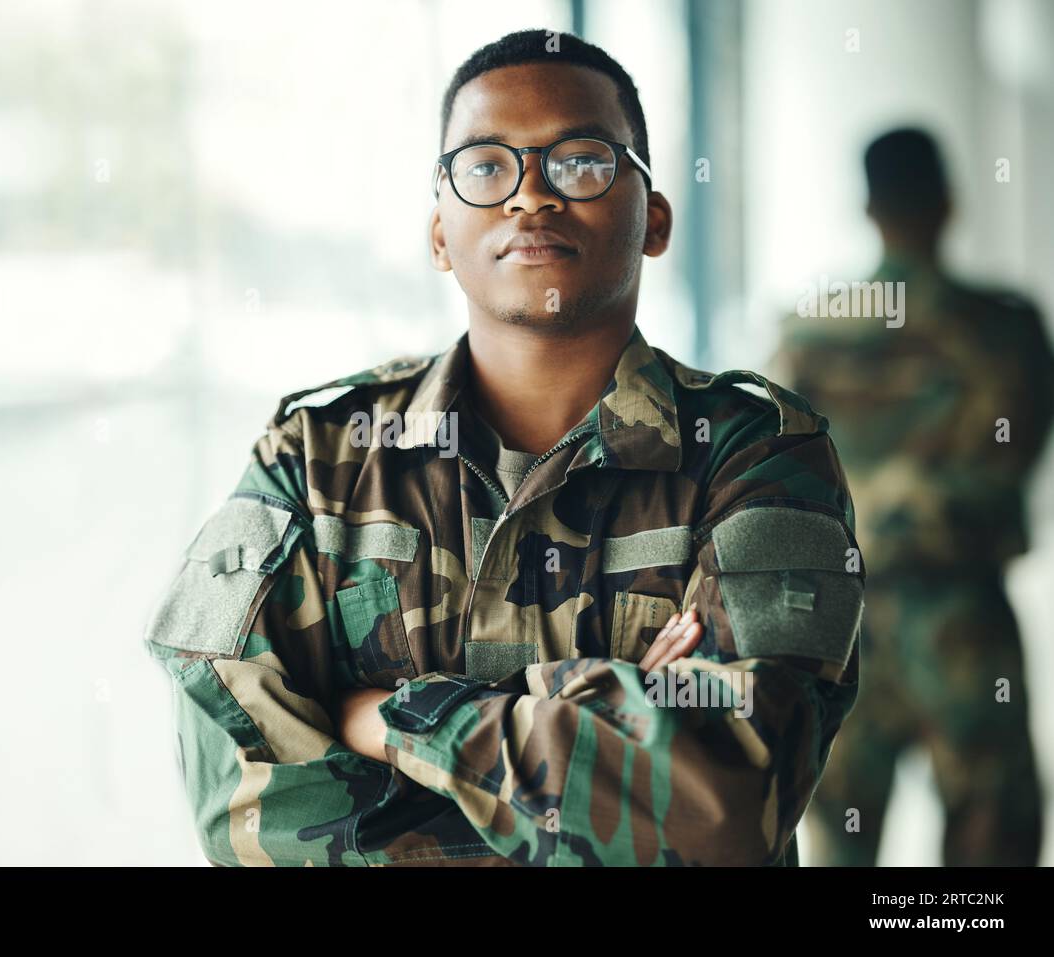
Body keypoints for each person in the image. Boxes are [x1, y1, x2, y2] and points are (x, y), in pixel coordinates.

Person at [145, 29, 863, 866]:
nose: (532, 197)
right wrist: (599, 736)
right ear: (441, 233)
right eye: (486, 166)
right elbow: (246, 809)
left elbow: (720, 803)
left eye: (581, 161)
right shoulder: (318, 455)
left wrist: (387, 715)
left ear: (654, 219)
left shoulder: (756, 454)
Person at [773, 127, 1053, 866]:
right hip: (962, 619)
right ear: (949, 202)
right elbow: (1009, 462)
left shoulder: (808, 329)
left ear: (868, 207)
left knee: (835, 837)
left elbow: (774, 482)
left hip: (838, 626)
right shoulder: (1006, 327)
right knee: (990, 848)